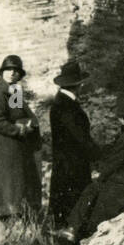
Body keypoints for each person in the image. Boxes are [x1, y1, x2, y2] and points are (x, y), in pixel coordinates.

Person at [61, 94, 124, 242]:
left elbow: (115, 161)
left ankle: (73, 228)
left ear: (122, 118)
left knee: (93, 188)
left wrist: (101, 175)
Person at [0, 55, 42, 222]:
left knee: (14, 186)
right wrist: (19, 130)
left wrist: (27, 124)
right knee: (5, 185)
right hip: (1, 146)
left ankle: (15, 216)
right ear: (2, 72)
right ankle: (0, 219)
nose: (12, 73)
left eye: (16, 70)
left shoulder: (14, 90)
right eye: (8, 70)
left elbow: (18, 114)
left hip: (14, 146)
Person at [47, 60, 103, 227]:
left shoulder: (63, 102)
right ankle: (70, 232)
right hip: (71, 162)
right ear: (78, 84)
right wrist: (100, 155)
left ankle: (65, 230)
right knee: (72, 199)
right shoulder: (66, 105)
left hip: (68, 161)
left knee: (66, 199)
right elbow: (80, 136)